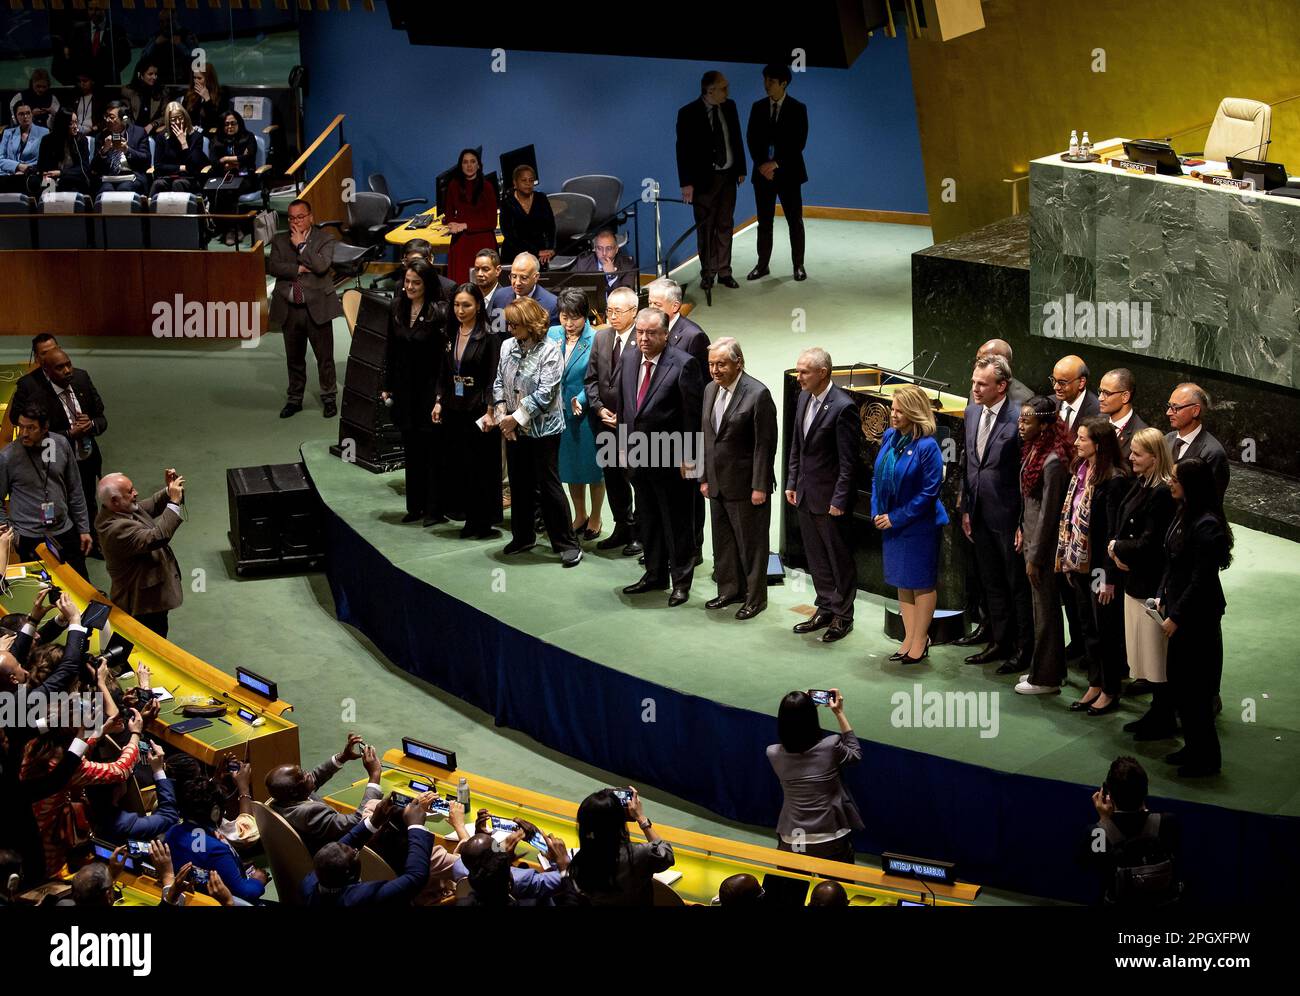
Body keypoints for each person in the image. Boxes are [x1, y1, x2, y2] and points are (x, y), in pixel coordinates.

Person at [617, 307, 704, 604]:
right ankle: (654, 575)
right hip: (638, 457)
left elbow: (693, 417)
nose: (643, 338)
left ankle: (681, 581)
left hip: (672, 461)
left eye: (651, 333)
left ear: (666, 335)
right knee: (648, 520)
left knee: (677, 523)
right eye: (640, 332)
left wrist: (690, 459)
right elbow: (624, 408)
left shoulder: (684, 365)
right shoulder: (628, 358)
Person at [493, 296, 583, 566]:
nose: (510, 330)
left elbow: (546, 393)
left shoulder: (550, 351)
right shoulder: (507, 346)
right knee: (519, 483)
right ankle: (523, 536)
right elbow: (499, 381)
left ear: (531, 325)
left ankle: (567, 544)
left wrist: (514, 419)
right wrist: (501, 416)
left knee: (549, 485)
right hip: (513, 429)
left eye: (515, 325)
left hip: (544, 431)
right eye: (509, 325)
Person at [1158, 457, 1231, 777]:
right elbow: (1173, 564)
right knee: (1181, 687)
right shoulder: (1184, 513)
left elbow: (1201, 580)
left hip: (1197, 620)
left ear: (1191, 484)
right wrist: (1163, 596)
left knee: (1196, 692)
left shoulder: (1206, 525)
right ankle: (1192, 747)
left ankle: (1207, 759)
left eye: (1175, 478)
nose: (1170, 482)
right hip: (1180, 610)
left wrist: (1176, 615)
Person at [961, 355, 1032, 668]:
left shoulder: (1018, 419)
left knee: (1016, 586)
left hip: (1008, 519)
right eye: (974, 382)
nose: (975, 389)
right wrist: (965, 508)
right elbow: (969, 464)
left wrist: (1021, 523)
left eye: (983, 384)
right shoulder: (971, 412)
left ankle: (1023, 649)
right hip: (978, 515)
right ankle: (999, 643)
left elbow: (1027, 475)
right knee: (991, 583)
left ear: (1002, 386)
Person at [1057, 416, 1130, 715]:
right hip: (1080, 563)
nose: (1075, 442)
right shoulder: (1081, 470)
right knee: (1087, 626)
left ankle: (1111, 690)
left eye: (1082, 439)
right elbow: (1072, 518)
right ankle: (1095, 683)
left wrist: (1109, 578)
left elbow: (1114, 533)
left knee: (1106, 631)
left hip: (1101, 567)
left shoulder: (1115, 480)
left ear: (1098, 444)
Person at [700, 337, 777, 620]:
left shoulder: (758, 394)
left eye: (721, 364)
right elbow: (708, 438)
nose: (715, 370)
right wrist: (705, 478)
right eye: (711, 364)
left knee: (752, 545)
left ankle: (755, 598)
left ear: (738, 363)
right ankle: (729, 590)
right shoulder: (709, 390)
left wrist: (760, 486)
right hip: (718, 483)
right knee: (723, 541)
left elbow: (764, 445)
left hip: (747, 486)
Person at [871, 384, 948, 663]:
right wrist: (877, 512)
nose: (894, 414)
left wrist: (896, 517)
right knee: (902, 581)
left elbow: (929, 493)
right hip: (890, 523)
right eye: (893, 408)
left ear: (915, 413)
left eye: (900, 410)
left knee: (921, 583)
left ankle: (920, 639)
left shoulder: (927, 447)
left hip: (919, 526)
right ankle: (909, 636)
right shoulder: (890, 436)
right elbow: (877, 477)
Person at [786, 347, 858, 642]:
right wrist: (792, 481)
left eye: (804, 371)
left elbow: (848, 462)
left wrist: (839, 500)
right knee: (816, 558)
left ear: (823, 373)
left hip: (830, 501)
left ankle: (843, 615)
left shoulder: (843, 407)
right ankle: (826, 606)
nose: (798, 376)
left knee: (837, 559)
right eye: (798, 370)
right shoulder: (803, 396)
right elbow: (797, 446)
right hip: (804, 494)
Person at [1110, 428, 1177, 736]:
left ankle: (1163, 715)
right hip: (1134, 580)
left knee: (1157, 658)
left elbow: (1152, 544)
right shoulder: (1141, 483)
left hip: (1151, 585)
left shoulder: (1162, 492)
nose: (1131, 457)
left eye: (1137, 453)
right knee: (1143, 654)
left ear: (1154, 457)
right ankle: (1157, 712)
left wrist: (1116, 548)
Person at [7, 347, 107, 531]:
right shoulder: (38, 399)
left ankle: (91, 539)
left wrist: (91, 424)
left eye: (69, 365)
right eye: (60, 367)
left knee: (88, 498)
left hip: (87, 457)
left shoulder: (82, 379)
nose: (67, 370)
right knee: (62, 498)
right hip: (56, 459)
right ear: (47, 372)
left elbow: (101, 418)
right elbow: (37, 437)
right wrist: (70, 434)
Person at [381, 260, 449, 525]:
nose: (409, 287)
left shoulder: (439, 311)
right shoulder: (397, 307)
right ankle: (415, 506)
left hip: (429, 391)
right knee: (411, 449)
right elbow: (390, 349)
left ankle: (434, 510)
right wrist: (387, 385)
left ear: (427, 284)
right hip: (405, 390)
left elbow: (444, 360)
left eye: (416, 282)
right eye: (407, 281)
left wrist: (440, 397)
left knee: (432, 451)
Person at [1014, 396, 1074, 694]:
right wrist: (1021, 529)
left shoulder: (1053, 461)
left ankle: (1046, 678)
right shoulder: (1036, 449)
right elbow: (1031, 503)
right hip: (1032, 539)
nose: (1021, 425)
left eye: (1027, 420)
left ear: (1045, 423)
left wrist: (1035, 556)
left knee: (1046, 610)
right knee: (1041, 609)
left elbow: (1050, 515)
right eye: (1021, 419)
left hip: (1045, 549)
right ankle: (1050, 669)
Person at [647, 276, 710, 555]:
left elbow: (701, 392)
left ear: (675, 306)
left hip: (687, 428)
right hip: (659, 429)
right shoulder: (649, 332)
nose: (650, 308)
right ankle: (664, 546)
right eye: (648, 303)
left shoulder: (693, 336)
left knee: (691, 494)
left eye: (656, 304)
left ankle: (693, 547)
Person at [766, 689, 862, 863]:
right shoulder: (831, 746)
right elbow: (855, 753)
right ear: (811, 718)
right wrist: (838, 712)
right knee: (834, 889)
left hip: (793, 837)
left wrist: (801, 708)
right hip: (830, 836)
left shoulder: (773, 753)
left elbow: (796, 734)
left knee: (791, 888)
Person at [268, 199, 342, 419]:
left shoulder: (325, 239)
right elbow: (273, 267)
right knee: (294, 359)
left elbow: (321, 266)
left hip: (317, 307)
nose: (295, 221)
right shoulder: (280, 240)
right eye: (291, 218)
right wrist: (298, 268)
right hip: (290, 308)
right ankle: (295, 399)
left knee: (324, 358)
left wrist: (301, 245)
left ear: (311, 217)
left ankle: (329, 398)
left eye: (300, 217)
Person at [440, 282, 503, 538]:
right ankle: (467, 518)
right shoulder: (450, 332)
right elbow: (443, 370)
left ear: (478, 306)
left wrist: (490, 411)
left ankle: (483, 521)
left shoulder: (489, 336)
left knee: (482, 468)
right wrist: (438, 399)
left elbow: (493, 377)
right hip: (456, 408)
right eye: (456, 305)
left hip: (479, 411)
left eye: (466, 305)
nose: (460, 310)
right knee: (461, 465)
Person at [0, 405, 91, 579]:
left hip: (64, 530)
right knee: (43, 588)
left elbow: (75, 489)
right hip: (28, 537)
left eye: (30, 428)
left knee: (80, 583)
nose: (23, 433)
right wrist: (10, 533)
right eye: (21, 427)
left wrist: (83, 528)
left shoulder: (61, 444)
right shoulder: (7, 457)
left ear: (45, 428)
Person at [676, 71, 747, 290]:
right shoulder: (688, 113)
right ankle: (708, 272)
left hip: (728, 177)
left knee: (726, 224)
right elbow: (683, 150)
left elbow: (736, 138)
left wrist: (741, 169)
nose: (728, 91)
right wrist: (686, 183)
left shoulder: (730, 106)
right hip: (703, 181)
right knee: (706, 227)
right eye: (723, 88)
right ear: (710, 90)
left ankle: (724, 271)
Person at [163, 753, 266, 903]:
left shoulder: (172, 832)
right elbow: (244, 893)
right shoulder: (217, 850)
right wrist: (258, 881)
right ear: (216, 812)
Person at [584, 286, 641, 555]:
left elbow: (646, 386)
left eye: (618, 311)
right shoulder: (602, 337)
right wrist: (597, 408)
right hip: (604, 423)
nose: (613, 316)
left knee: (636, 478)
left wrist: (625, 415)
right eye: (609, 311)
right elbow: (591, 379)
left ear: (634, 311)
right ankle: (622, 526)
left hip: (631, 426)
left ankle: (639, 532)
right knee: (613, 477)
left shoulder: (642, 340)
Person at [95, 470, 185, 638]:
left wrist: (169, 490)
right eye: (130, 491)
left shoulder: (119, 510)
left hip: (149, 594)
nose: (135, 493)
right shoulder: (114, 529)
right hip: (142, 603)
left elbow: (149, 505)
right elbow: (158, 537)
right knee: (151, 640)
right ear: (115, 500)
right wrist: (173, 501)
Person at [547, 288, 605, 539]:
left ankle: (596, 517)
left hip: (585, 414)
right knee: (570, 468)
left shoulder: (596, 340)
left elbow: (598, 377)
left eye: (575, 317)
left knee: (593, 468)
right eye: (564, 316)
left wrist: (580, 399)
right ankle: (579, 514)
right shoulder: (553, 334)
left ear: (586, 315)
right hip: (558, 414)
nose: (569, 323)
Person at [266, 734, 385, 855]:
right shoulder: (309, 814)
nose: (308, 774)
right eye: (303, 775)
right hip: (337, 856)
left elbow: (314, 777)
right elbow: (357, 822)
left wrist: (343, 757)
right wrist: (375, 775)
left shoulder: (284, 799)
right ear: (295, 791)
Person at [1086, 756, 1181, 906]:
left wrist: (1104, 821)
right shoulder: (1168, 822)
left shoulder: (1096, 832)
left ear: (1107, 793)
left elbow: (1095, 864)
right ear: (1145, 790)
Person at [745, 62, 809, 282]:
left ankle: (798, 265)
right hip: (763, 175)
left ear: (783, 83)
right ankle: (762, 265)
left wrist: (776, 163)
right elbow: (751, 139)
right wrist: (763, 165)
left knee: (794, 220)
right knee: (764, 222)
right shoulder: (758, 107)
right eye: (765, 80)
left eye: (771, 81)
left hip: (788, 173)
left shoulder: (798, 108)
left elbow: (798, 142)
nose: (766, 85)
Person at [569, 787, 674, 906]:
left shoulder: (579, 862)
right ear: (619, 820)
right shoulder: (639, 855)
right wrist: (641, 818)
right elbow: (667, 854)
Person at [454, 817, 568, 906]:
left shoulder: (459, 868)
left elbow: (472, 854)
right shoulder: (524, 879)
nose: (500, 845)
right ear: (510, 879)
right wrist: (538, 839)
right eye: (497, 846)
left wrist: (479, 834)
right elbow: (567, 878)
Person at [1165, 383, 1230, 501]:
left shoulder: (1212, 454)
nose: (1168, 412)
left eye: (1175, 407)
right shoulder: (1167, 440)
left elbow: (1209, 502)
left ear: (1195, 411)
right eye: (1169, 406)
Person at [444, 148, 499, 284]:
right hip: (462, 240)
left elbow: (492, 222)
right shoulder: (453, 185)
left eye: (473, 162)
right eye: (465, 162)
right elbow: (449, 213)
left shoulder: (487, 187)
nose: (469, 166)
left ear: (478, 165)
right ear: (460, 165)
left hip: (483, 241)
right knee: (462, 283)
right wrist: (452, 224)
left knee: (483, 283)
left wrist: (465, 225)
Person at [206, 110, 259, 243]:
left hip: (245, 177)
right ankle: (220, 227)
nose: (230, 127)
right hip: (223, 176)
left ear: (239, 123)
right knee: (215, 189)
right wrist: (234, 161)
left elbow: (249, 157)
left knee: (230, 190)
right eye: (226, 124)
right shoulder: (216, 140)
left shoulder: (248, 137)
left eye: (233, 123)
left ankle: (233, 229)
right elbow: (213, 162)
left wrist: (225, 158)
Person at [59, 2, 133, 87]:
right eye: (90, 9)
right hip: (85, 83)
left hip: (108, 82)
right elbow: (73, 55)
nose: (93, 12)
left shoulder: (116, 30)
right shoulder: (78, 30)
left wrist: (112, 71)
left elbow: (126, 56)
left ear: (104, 9)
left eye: (97, 9)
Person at [499, 163, 556, 266]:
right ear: (515, 183)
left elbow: (550, 227)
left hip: (541, 255)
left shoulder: (541, 198)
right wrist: (535, 251)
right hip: (514, 254)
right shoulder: (507, 203)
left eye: (531, 180)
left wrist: (550, 249)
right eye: (524, 180)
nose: (528, 184)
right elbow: (510, 235)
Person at [148, 101, 208, 196]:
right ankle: (147, 209)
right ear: (168, 121)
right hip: (167, 177)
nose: (178, 122)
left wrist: (184, 143)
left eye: (180, 118)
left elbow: (193, 167)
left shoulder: (196, 136)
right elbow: (158, 166)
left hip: (189, 179)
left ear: (185, 117)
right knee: (158, 184)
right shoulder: (162, 137)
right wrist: (180, 167)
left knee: (178, 183)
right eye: (173, 119)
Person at [91, 100, 149, 194]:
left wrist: (127, 150)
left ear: (124, 119)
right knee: (106, 191)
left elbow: (146, 161)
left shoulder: (139, 133)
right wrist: (103, 151)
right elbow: (94, 168)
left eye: (111, 117)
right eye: (106, 116)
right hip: (108, 177)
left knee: (124, 189)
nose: (107, 120)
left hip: (131, 176)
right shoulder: (101, 136)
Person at [489, 251, 559, 326]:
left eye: (524, 278)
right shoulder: (499, 296)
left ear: (536, 277)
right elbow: (496, 331)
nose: (517, 283)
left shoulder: (551, 304)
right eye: (514, 276)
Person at [34, 109, 95, 195]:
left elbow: (84, 168)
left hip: (73, 178)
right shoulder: (47, 140)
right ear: (62, 124)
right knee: (47, 196)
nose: (75, 126)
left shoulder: (81, 140)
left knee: (70, 196)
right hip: (52, 178)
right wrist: (46, 173)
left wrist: (61, 173)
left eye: (76, 122)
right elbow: (42, 166)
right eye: (71, 123)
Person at [0, 103, 48, 194]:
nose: (25, 116)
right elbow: (0, 158)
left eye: (28, 113)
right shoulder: (8, 133)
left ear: (32, 114)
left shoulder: (44, 133)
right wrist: (18, 166)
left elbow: (44, 160)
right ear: (15, 116)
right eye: (21, 114)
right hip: (10, 173)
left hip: (32, 173)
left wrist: (26, 170)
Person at [1099, 368, 1146, 460]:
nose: (1100, 398)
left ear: (1125, 396)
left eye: (1106, 393)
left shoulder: (1140, 434)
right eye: (1100, 391)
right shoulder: (1098, 420)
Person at [573, 228, 637, 292]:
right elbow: (573, 291)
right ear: (595, 249)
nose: (604, 253)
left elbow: (626, 296)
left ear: (616, 249)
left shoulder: (627, 266)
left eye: (608, 248)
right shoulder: (582, 263)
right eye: (599, 248)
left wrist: (612, 276)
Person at [976, 339, 1033, 406]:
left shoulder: (1025, 399)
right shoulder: (976, 387)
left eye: (985, 361)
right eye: (978, 359)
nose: (978, 364)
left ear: (1003, 363)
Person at [1052, 354, 1098, 434]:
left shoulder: (1098, 412)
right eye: (1053, 380)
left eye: (1062, 383)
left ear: (1081, 382)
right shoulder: (1049, 404)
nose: (1056, 387)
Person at [120, 60, 166, 134]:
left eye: (156, 74)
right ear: (140, 75)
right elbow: (124, 115)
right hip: (132, 132)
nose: (154, 77)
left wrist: (153, 124)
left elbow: (166, 115)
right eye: (150, 74)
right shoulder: (128, 92)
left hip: (154, 133)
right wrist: (134, 130)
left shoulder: (162, 92)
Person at [182, 63, 230, 134]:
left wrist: (207, 99)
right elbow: (184, 115)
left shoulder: (220, 95)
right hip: (192, 133)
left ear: (208, 79)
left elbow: (218, 120)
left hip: (211, 134)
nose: (196, 81)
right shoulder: (190, 95)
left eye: (199, 78)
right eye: (194, 78)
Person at [472, 248, 505, 331]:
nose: (479, 274)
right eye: (477, 269)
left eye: (485, 269)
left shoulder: (505, 300)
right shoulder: (471, 297)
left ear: (498, 270)